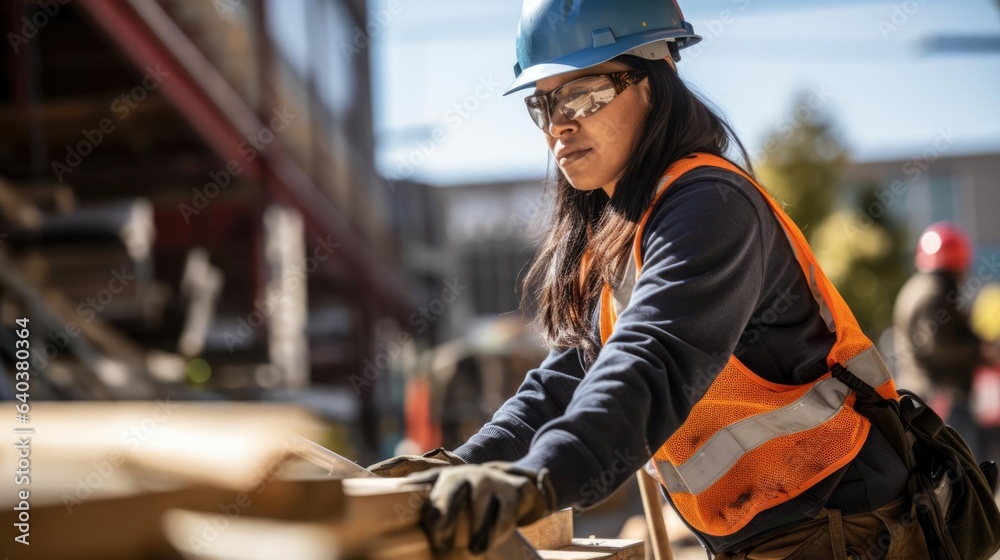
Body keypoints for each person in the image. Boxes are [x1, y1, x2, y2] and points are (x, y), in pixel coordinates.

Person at [370, 1, 928, 557]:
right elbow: (566, 383)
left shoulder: (711, 206)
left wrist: (533, 481)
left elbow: (652, 358)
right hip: (779, 534)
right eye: (543, 105)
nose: (558, 124)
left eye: (583, 93)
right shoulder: (628, 237)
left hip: (847, 528)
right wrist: (462, 464)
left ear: (654, 81)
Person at [893, 222, 989, 460]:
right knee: (965, 469)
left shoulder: (916, 288)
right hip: (940, 397)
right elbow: (937, 347)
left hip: (923, 395)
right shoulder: (934, 293)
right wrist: (982, 351)